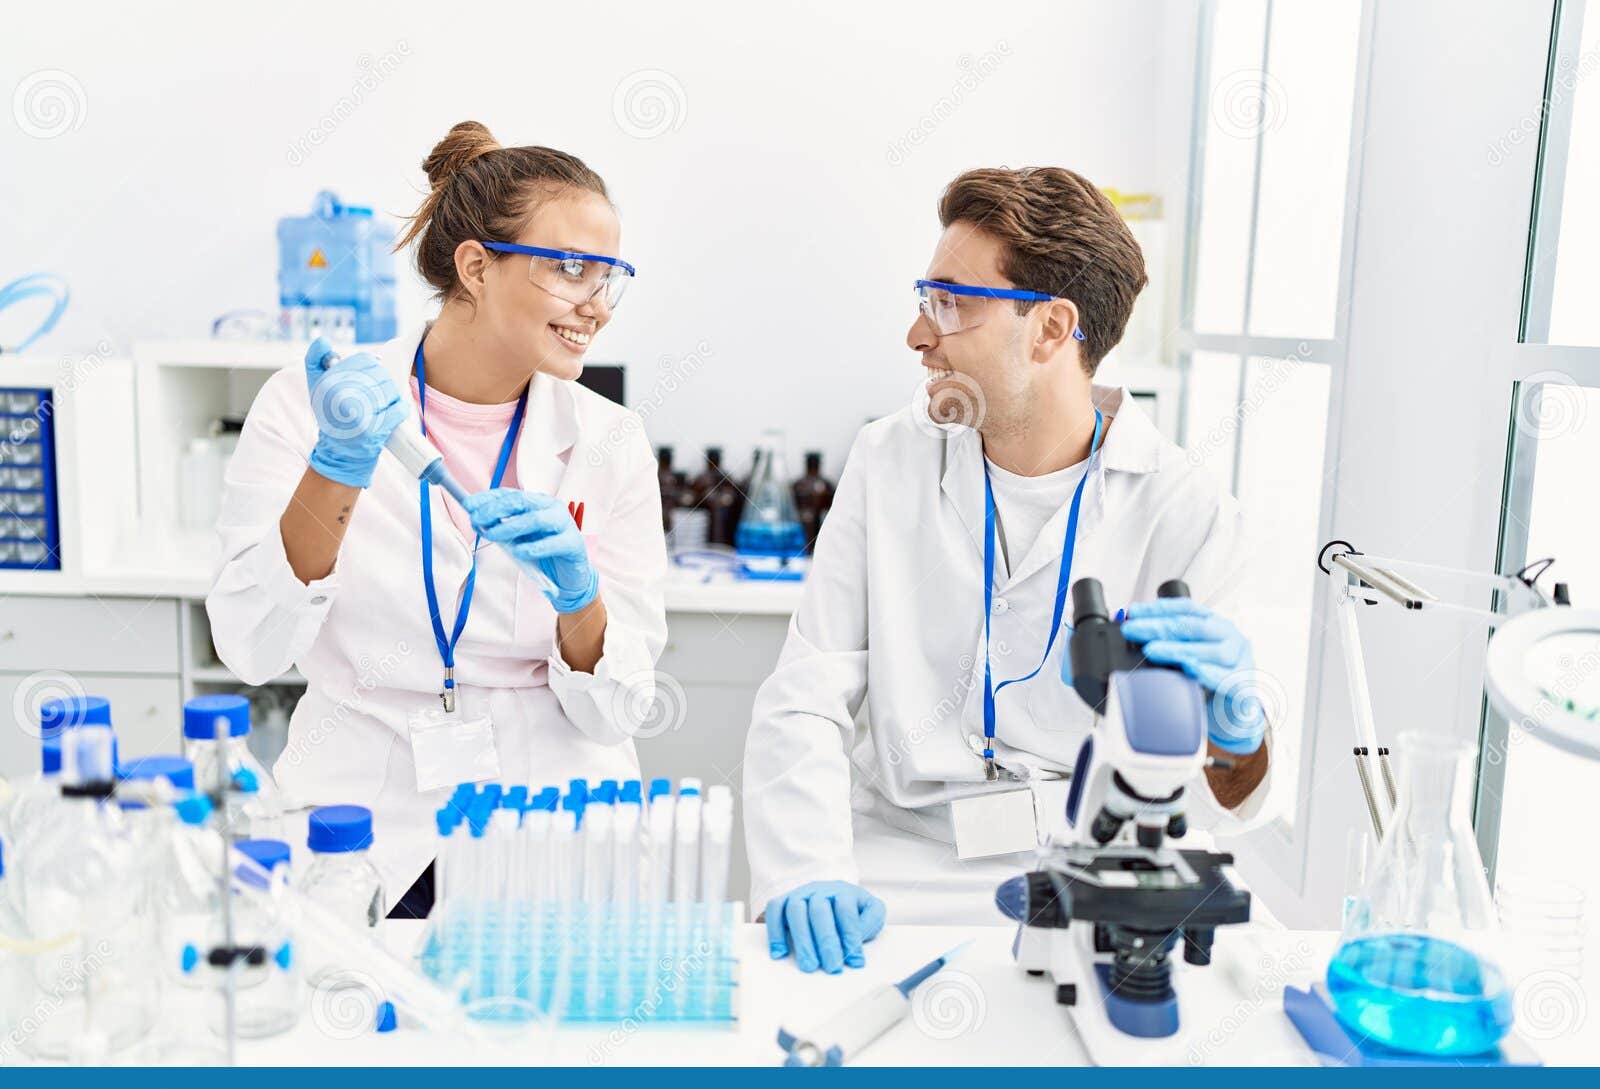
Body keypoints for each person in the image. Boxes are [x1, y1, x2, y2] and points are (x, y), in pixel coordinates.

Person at [743, 166, 1273, 973]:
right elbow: (806, 693)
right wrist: (807, 866)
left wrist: (1239, 728)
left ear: (1051, 329)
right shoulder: (890, 457)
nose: (917, 335)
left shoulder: (1186, 509)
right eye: (926, 299)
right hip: (895, 862)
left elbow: (1219, 794)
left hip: (1095, 866)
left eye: (950, 303)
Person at [208, 121, 667, 913]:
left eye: (609, 277)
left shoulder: (611, 441)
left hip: (549, 824)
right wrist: (336, 466)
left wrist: (580, 599)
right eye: (570, 270)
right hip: (361, 818)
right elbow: (250, 643)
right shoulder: (314, 404)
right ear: (476, 266)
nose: (597, 307)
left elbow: (619, 707)